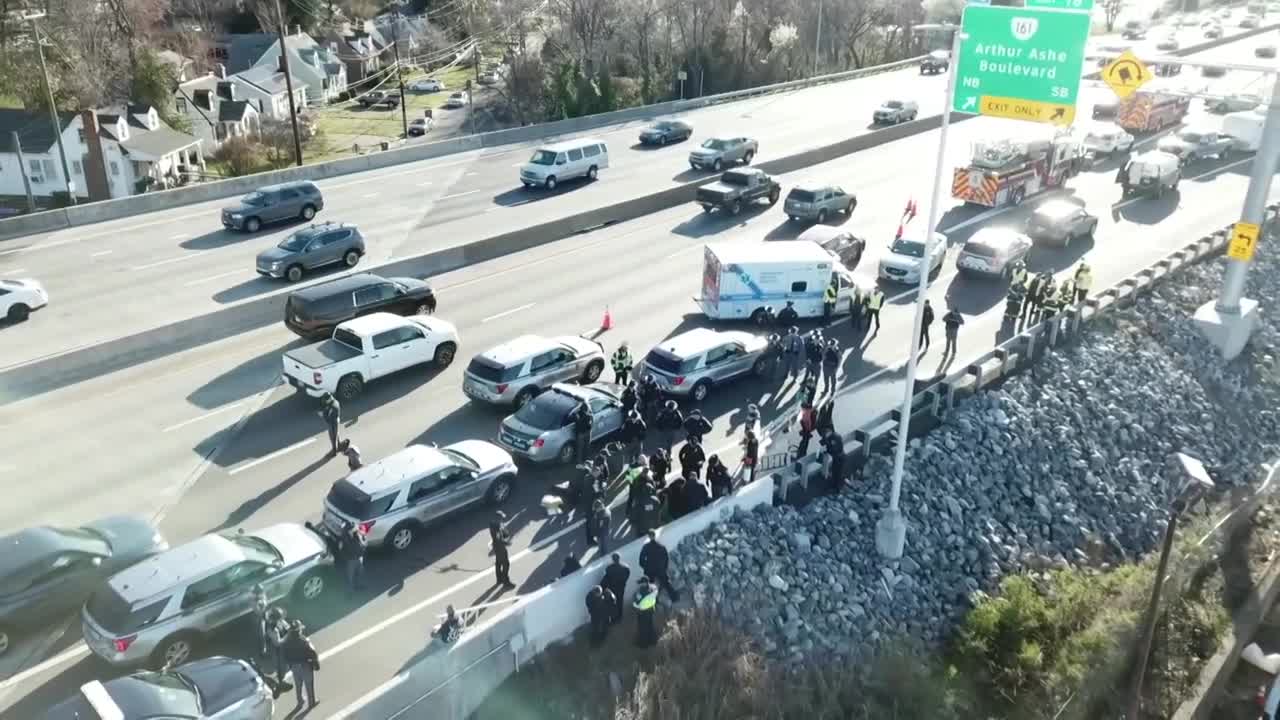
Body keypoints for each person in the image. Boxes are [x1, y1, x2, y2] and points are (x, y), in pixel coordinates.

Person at [282, 620, 319, 709]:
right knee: (309, 685)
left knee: (298, 685)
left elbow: (284, 654)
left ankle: (300, 700)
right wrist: (316, 663)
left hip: (294, 666)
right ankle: (311, 702)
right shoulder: (303, 640)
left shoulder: (286, 641)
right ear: (299, 630)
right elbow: (312, 653)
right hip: (305, 665)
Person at [640, 530, 678, 601]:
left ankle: (654, 601)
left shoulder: (646, 547)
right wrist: (664, 568)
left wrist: (646, 567)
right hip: (660, 569)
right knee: (666, 584)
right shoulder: (662, 546)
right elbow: (666, 558)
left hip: (650, 570)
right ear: (655, 536)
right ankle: (675, 598)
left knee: (650, 586)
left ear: (649, 536)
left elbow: (641, 560)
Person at [266, 607, 292, 689]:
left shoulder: (280, 622)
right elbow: (277, 643)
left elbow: (287, 626)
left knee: (286, 666)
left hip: (284, 648)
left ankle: (279, 680)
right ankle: (280, 683)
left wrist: (291, 629)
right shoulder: (272, 629)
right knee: (282, 667)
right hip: (277, 651)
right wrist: (288, 635)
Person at [603, 553, 631, 624]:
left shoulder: (609, 569)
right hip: (621, 587)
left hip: (612, 588)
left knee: (613, 603)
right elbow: (627, 575)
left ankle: (614, 617)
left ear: (613, 559)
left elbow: (607, 578)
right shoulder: (626, 567)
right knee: (620, 601)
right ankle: (620, 616)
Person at [633, 577, 659, 648]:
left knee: (643, 628)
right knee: (650, 625)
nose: (639, 585)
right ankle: (653, 640)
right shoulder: (654, 588)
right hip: (651, 609)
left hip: (643, 612)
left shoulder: (640, 592)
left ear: (644, 583)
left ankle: (643, 644)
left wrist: (635, 605)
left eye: (641, 583)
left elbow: (636, 603)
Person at [341, 523, 366, 591]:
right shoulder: (345, 537)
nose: (353, 530)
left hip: (358, 557)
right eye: (351, 529)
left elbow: (362, 538)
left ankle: (359, 585)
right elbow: (347, 546)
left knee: (360, 572)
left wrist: (360, 533)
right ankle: (350, 589)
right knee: (350, 575)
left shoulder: (356, 534)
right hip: (351, 559)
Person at [492, 515, 514, 588]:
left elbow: (505, 534)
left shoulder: (493, 524)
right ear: (498, 519)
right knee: (506, 564)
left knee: (498, 563)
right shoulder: (497, 529)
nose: (502, 520)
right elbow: (499, 540)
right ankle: (506, 581)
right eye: (501, 519)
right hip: (500, 549)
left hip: (496, 548)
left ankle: (499, 579)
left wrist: (504, 531)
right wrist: (507, 543)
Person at [823, 429, 845, 495]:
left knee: (838, 473)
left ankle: (837, 488)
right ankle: (834, 486)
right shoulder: (832, 437)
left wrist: (828, 447)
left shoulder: (835, 438)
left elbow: (834, 449)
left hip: (839, 458)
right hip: (837, 458)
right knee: (834, 471)